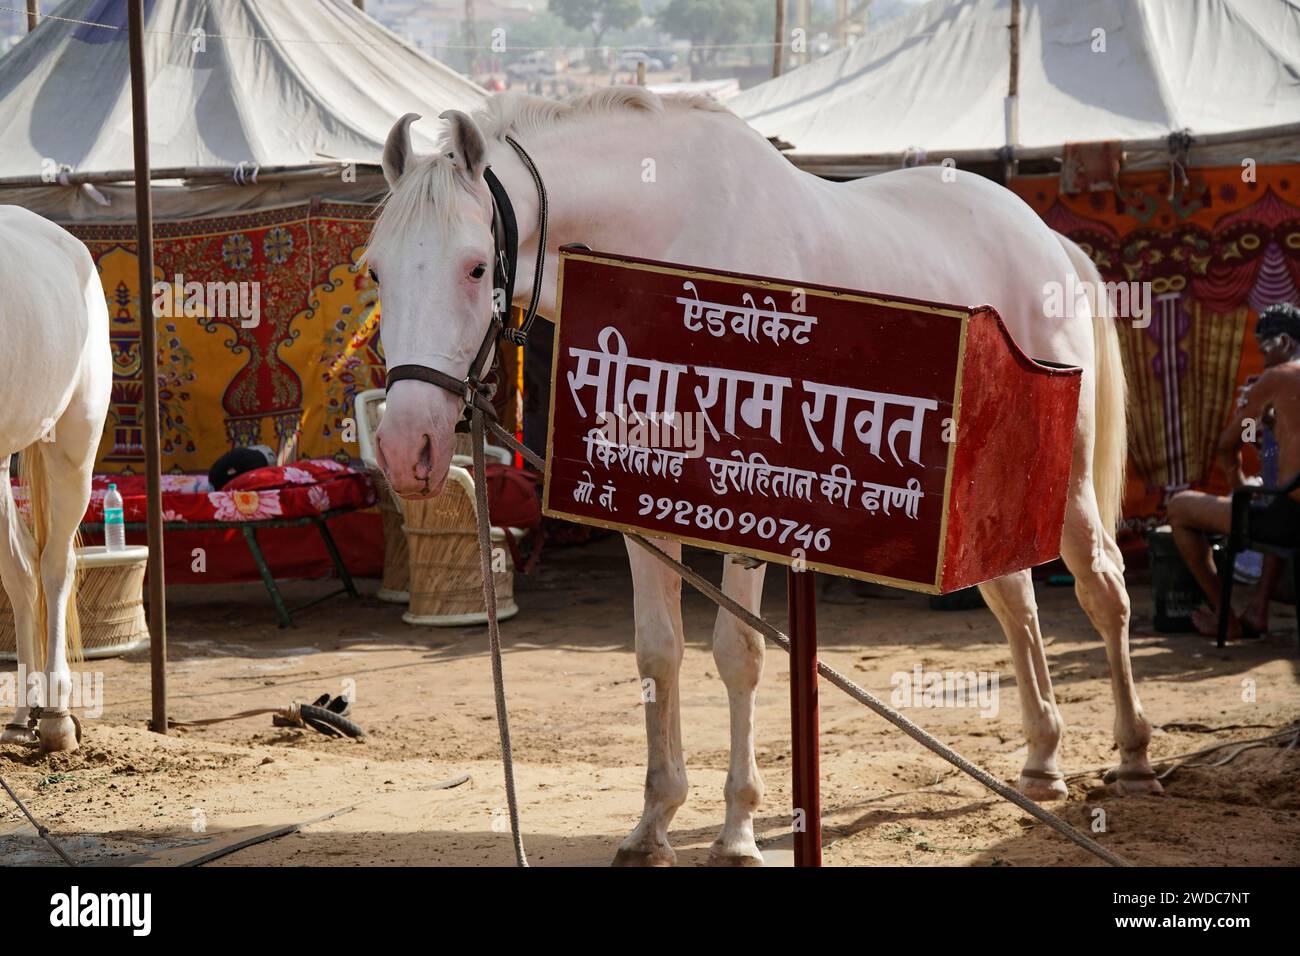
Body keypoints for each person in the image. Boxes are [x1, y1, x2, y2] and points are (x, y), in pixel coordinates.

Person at [1167, 302, 1300, 639]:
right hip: (1286, 502)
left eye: (1265, 350)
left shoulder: (1279, 377)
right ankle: (1259, 608)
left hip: (1290, 518)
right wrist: (1268, 422)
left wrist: (1237, 486)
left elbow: (1229, 445)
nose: (1264, 359)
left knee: (1180, 507)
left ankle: (1226, 618)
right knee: (1272, 492)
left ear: (1284, 342)